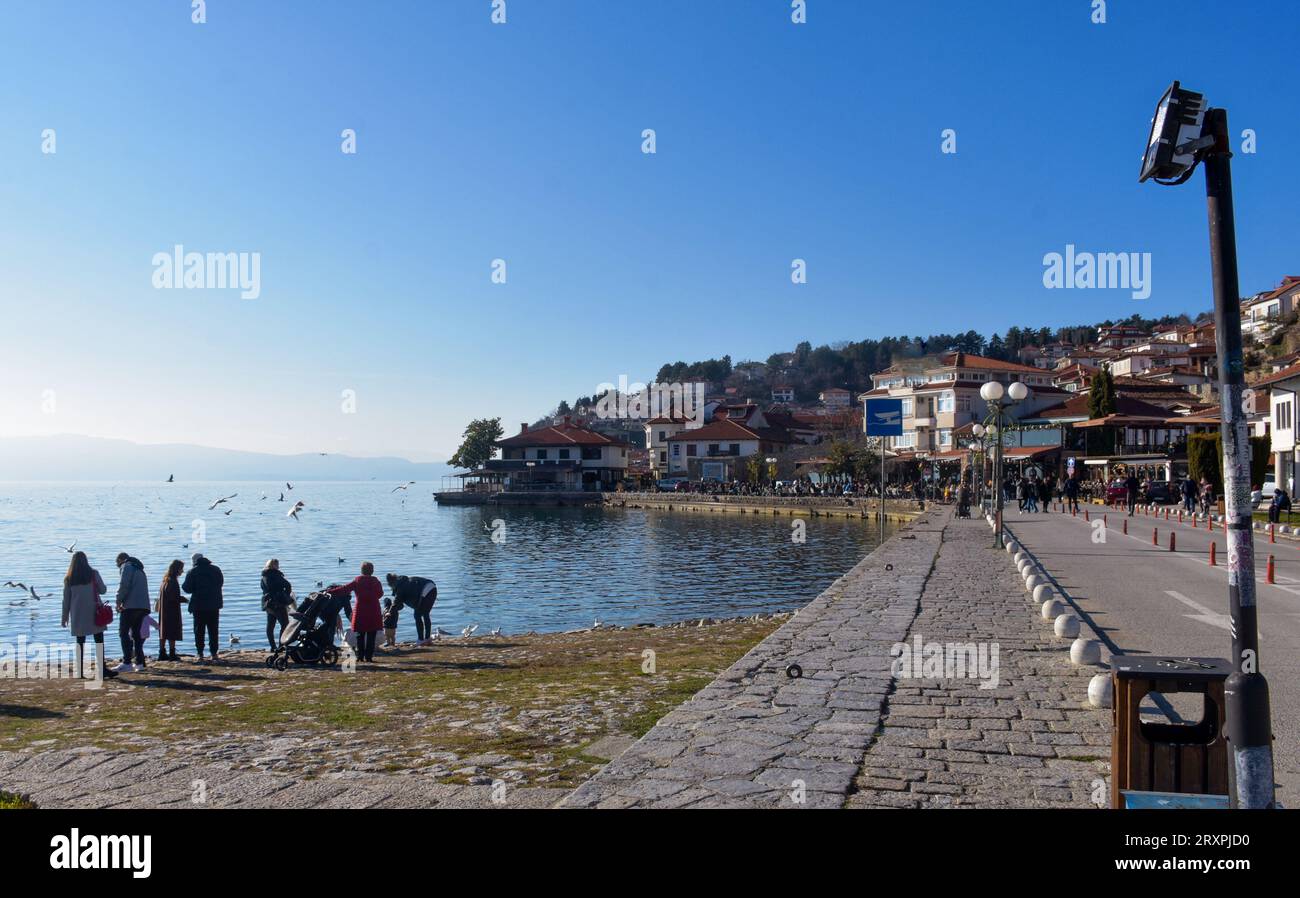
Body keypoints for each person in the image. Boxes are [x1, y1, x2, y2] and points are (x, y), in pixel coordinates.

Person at [61, 551, 117, 680]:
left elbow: (66, 600)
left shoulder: (69, 579)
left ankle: (80, 671)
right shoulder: (93, 574)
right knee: (99, 641)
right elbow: (103, 590)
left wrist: (64, 618)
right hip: (94, 612)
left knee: (80, 642)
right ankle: (102, 669)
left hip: (77, 614)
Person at [327, 562, 384, 663]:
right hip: (373, 610)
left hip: (360, 610)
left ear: (362, 570)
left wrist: (330, 592)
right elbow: (380, 594)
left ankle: (360, 656)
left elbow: (344, 589)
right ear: (372, 570)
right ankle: (369, 657)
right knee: (371, 634)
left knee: (360, 634)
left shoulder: (357, 581)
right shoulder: (376, 581)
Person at [182, 552, 224, 662]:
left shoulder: (192, 572)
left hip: (199, 605)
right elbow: (220, 583)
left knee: (199, 630)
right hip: (214, 605)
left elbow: (187, 588)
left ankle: (200, 654)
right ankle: (214, 653)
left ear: (194, 562)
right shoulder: (216, 569)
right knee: (213, 630)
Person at [114, 552, 150, 672]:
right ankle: (140, 663)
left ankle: (127, 662)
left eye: (117, 563)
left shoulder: (127, 566)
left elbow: (124, 585)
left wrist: (118, 601)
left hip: (130, 606)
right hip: (143, 606)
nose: (118, 567)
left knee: (123, 633)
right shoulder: (139, 568)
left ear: (120, 560)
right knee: (136, 635)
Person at [386, 573, 438, 645]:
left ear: (391, 583)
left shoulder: (400, 587)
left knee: (417, 615)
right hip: (432, 587)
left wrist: (389, 612)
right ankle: (427, 639)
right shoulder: (404, 581)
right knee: (425, 614)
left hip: (425, 591)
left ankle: (421, 640)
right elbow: (400, 604)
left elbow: (396, 602)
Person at [260, 558, 294, 651]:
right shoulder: (276, 575)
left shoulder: (264, 576)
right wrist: (286, 596)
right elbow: (287, 585)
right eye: (277, 564)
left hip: (268, 603)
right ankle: (281, 645)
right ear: (274, 565)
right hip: (278, 603)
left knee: (270, 625)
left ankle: (272, 646)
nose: (278, 566)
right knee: (285, 624)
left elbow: (264, 589)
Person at [156, 559, 186, 661]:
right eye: (181, 569)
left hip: (163, 610)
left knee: (163, 631)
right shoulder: (173, 581)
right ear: (177, 569)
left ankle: (162, 653)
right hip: (171, 610)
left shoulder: (165, 580)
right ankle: (172, 653)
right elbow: (174, 598)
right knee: (172, 631)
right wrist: (185, 600)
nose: (182, 571)